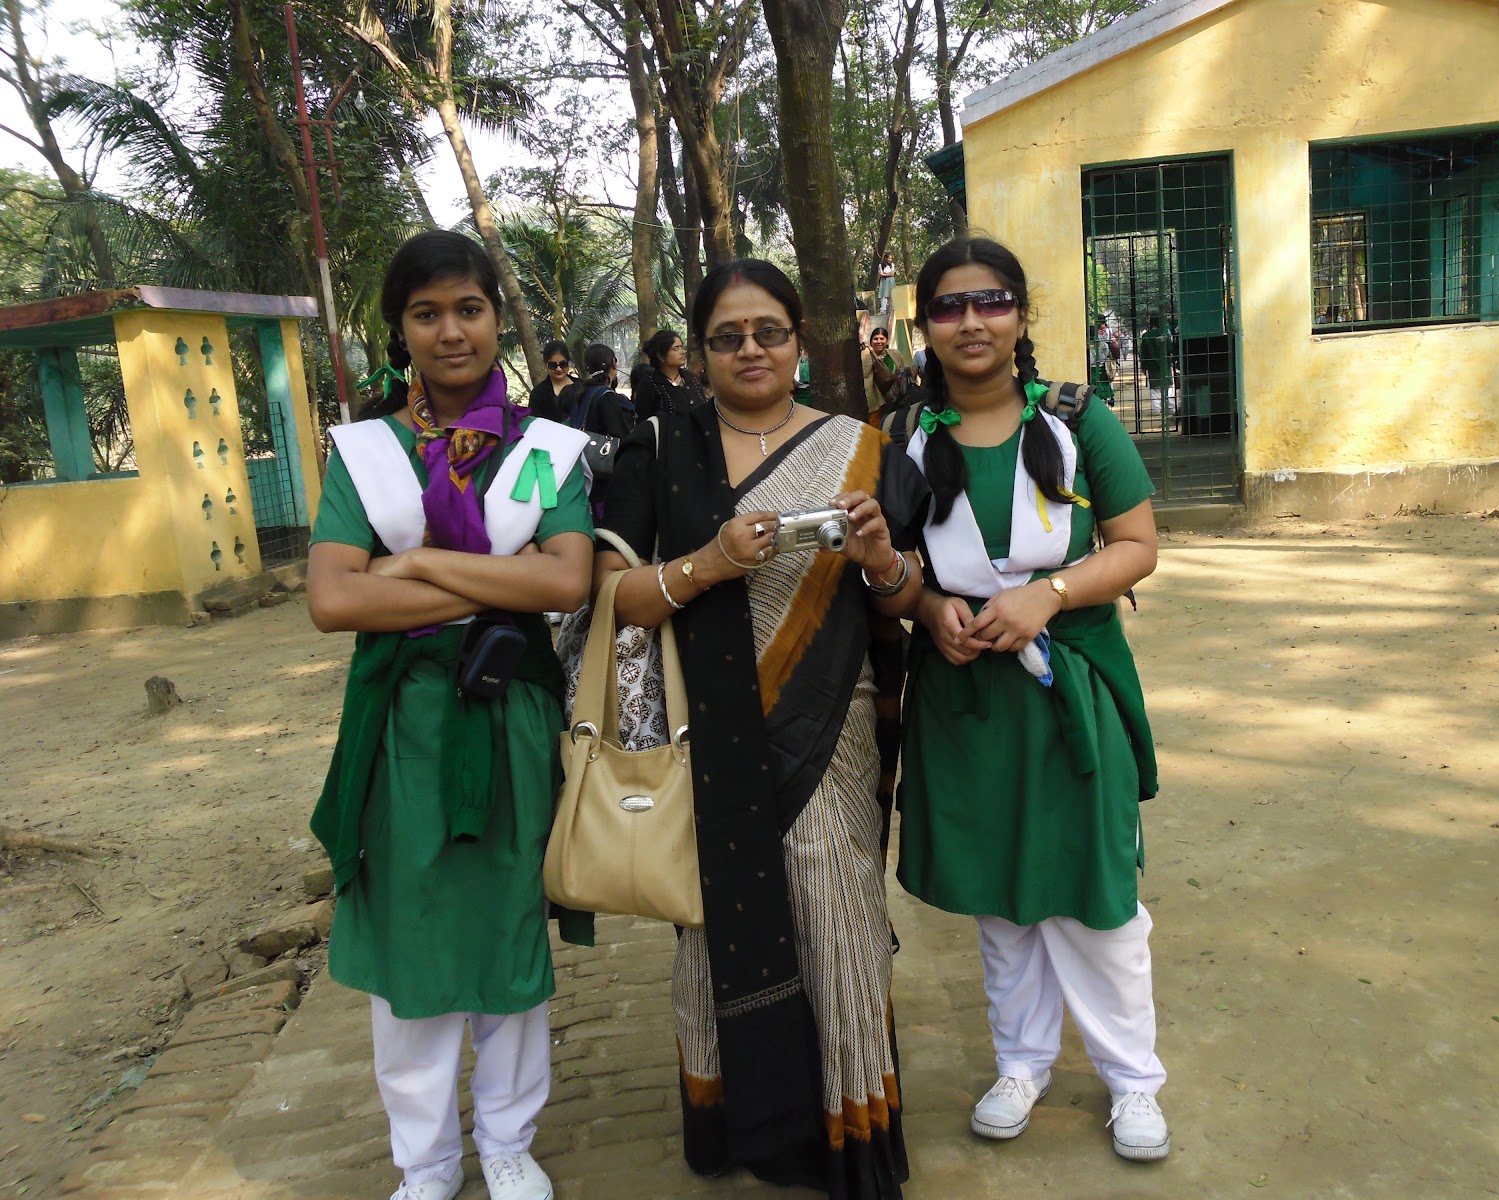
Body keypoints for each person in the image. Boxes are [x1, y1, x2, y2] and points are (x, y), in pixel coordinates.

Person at [595, 257, 929, 1199]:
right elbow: (611, 602)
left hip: (831, 725)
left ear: (798, 342)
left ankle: (851, 1121)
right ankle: (737, 1120)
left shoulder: (864, 450)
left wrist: (876, 557)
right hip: (708, 738)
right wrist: (702, 563)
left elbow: (903, 601)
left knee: (837, 912)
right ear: (696, 352)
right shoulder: (659, 450)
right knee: (718, 928)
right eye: (727, 336)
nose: (751, 349)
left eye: (769, 332)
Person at [306, 230, 596, 1200]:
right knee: (413, 941)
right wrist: (496, 586)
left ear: (495, 319)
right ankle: (424, 1163)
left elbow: (565, 580)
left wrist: (421, 564)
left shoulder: (544, 449)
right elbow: (335, 601)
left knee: (509, 922)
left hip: (509, 722)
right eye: (426, 313)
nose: (450, 330)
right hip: (404, 733)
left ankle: (509, 1142)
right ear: (400, 330)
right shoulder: (366, 452)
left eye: (468, 308)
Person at [895, 236, 1171, 1164]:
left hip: (1070, 694)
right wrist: (930, 607)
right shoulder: (904, 438)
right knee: (1001, 895)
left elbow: (1136, 545)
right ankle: (1021, 1062)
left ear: (1020, 315)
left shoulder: (1077, 421)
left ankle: (1133, 1080)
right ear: (923, 325)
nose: (971, 322)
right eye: (949, 306)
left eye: (992, 301)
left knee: (1093, 893)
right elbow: (886, 574)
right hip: (966, 699)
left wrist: (1046, 593)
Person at [632, 328, 704, 420]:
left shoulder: (691, 379)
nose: (682, 352)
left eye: (682, 347)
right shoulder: (649, 385)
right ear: (660, 355)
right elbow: (643, 421)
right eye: (676, 348)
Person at [573, 342, 636, 440]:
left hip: (583, 450)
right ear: (613, 363)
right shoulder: (606, 395)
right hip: (599, 453)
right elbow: (618, 434)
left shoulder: (584, 391)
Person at [528, 339, 578, 424]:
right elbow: (534, 423)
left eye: (563, 364)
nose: (558, 369)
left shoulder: (582, 386)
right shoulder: (538, 393)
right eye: (552, 365)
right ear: (545, 364)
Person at [1138, 314, 1176, 420]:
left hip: (1151, 365)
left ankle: (1156, 409)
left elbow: (1143, 353)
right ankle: (1171, 408)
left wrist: (1143, 366)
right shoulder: (1165, 334)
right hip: (1165, 364)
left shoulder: (1146, 336)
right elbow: (1170, 349)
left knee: (1154, 388)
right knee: (1168, 386)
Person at [860, 326, 899, 428]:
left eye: (882, 339)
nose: (879, 341)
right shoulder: (866, 355)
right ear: (871, 341)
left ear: (887, 340)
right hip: (876, 400)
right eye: (876, 338)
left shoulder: (895, 355)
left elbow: (902, 371)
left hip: (895, 398)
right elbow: (865, 373)